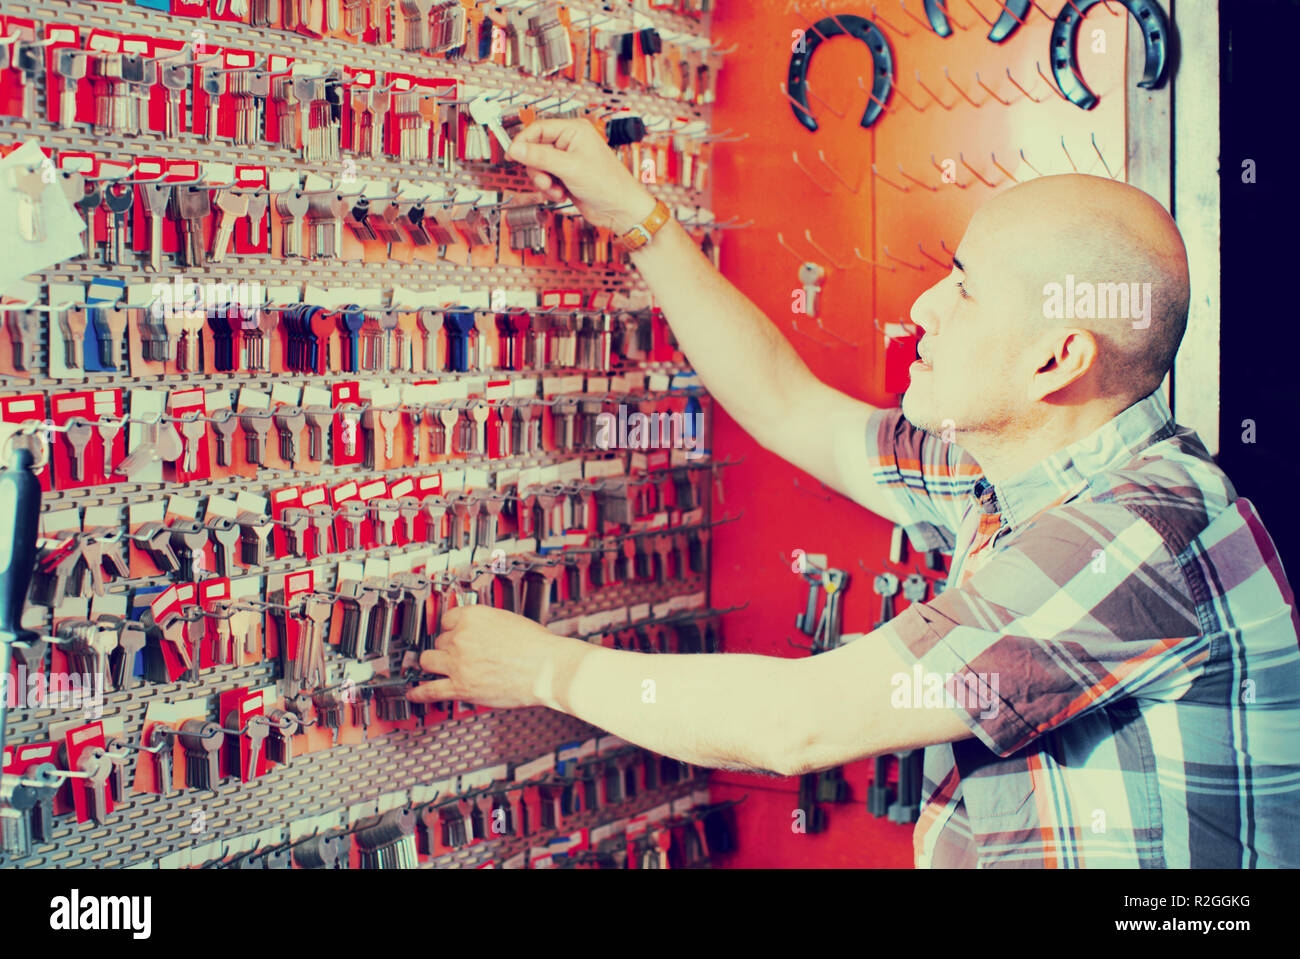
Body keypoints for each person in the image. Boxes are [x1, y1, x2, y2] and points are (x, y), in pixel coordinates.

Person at [408, 118, 1300, 868]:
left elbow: (798, 724)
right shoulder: (1020, 470)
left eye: (965, 287)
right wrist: (641, 220)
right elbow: (793, 410)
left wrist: (542, 669)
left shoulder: (1136, 534)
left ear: (1055, 359)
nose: (924, 309)